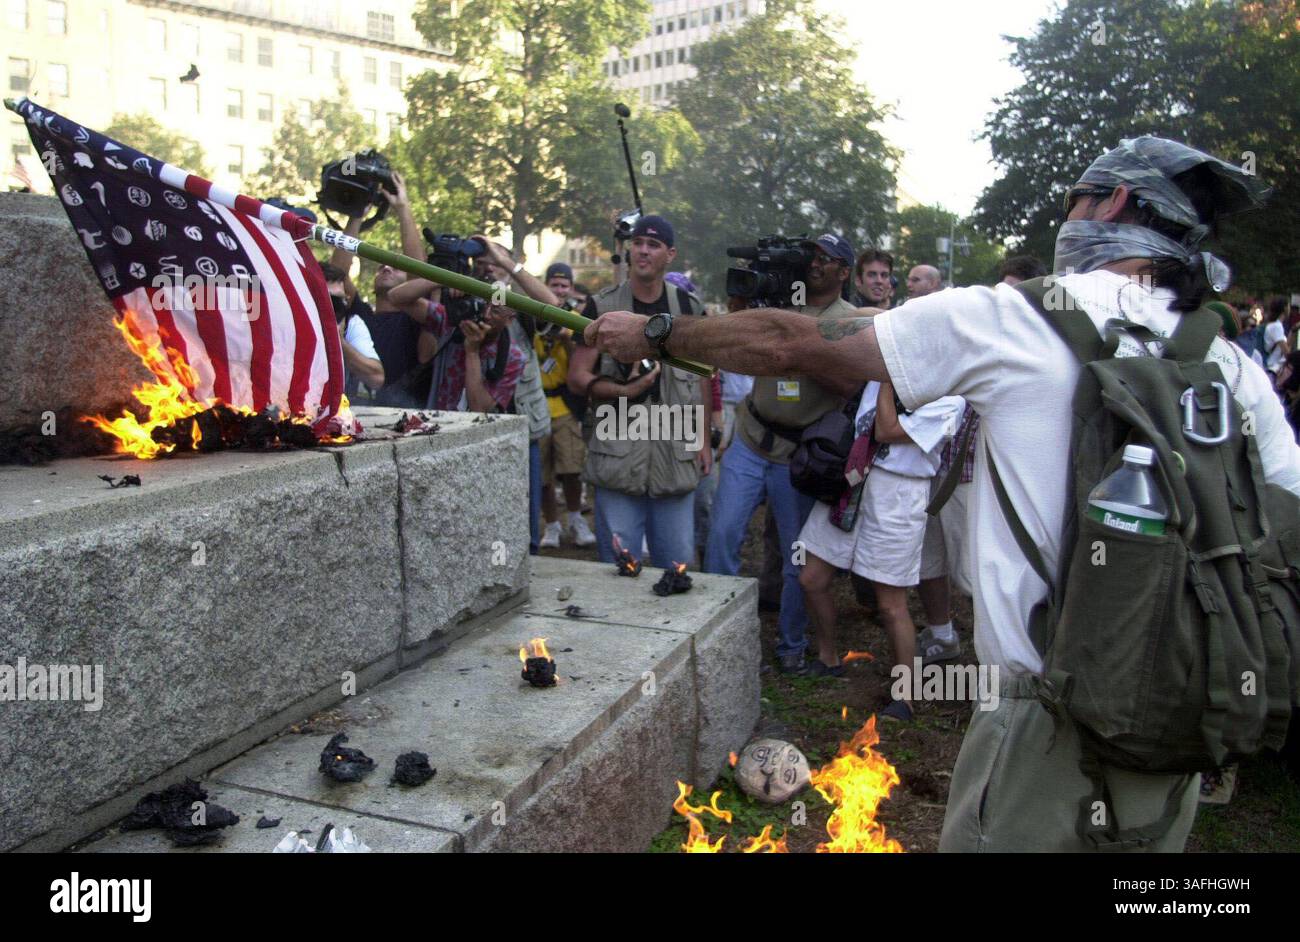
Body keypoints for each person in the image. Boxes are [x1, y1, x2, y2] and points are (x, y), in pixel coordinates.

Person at [584, 136, 1297, 852]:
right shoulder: (1227, 362)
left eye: (1076, 201)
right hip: (1174, 719)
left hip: (1041, 721)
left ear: (1110, 202)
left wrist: (658, 331)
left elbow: (794, 341)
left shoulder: (1017, 317)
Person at [704, 234, 862, 674]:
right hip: (752, 439)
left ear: (843, 271)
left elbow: (851, 387)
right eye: (811, 254)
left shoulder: (850, 319)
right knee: (722, 534)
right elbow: (735, 337)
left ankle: (790, 644)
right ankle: (713, 632)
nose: (814, 262)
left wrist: (804, 352)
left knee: (797, 557)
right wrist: (740, 304)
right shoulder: (779, 301)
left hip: (801, 455)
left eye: (826, 258)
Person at [567, 215, 712, 568]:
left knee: (677, 564)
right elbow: (576, 376)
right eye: (638, 243)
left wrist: (704, 439)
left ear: (670, 254)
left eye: (654, 244)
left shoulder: (691, 309)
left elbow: (705, 378)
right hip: (617, 446)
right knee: (619, 565)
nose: (643, 251)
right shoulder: (600, 307)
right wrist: (622, 390)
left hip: (675, 449)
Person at [326, 171, 429, 408]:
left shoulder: (415, 321)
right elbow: (335, 276)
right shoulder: (361, 316)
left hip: (404, 418)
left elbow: (421, 273)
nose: (386, 267)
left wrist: (402, 207)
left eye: (396, 267)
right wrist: (357, 213)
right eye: (381, 265)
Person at [319, 262, 386, 396]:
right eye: (330, 300)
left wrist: (339, 341)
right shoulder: (289, 320)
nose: (335, 307)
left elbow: (376, 378)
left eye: (340, 300)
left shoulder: (351, 323)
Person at [1264, 296, 1290, 381]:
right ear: (1285, 308)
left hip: (1272, 369)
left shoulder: (1274, 325)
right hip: (1272, 369)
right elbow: (1286, 351)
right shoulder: (1276, 326)